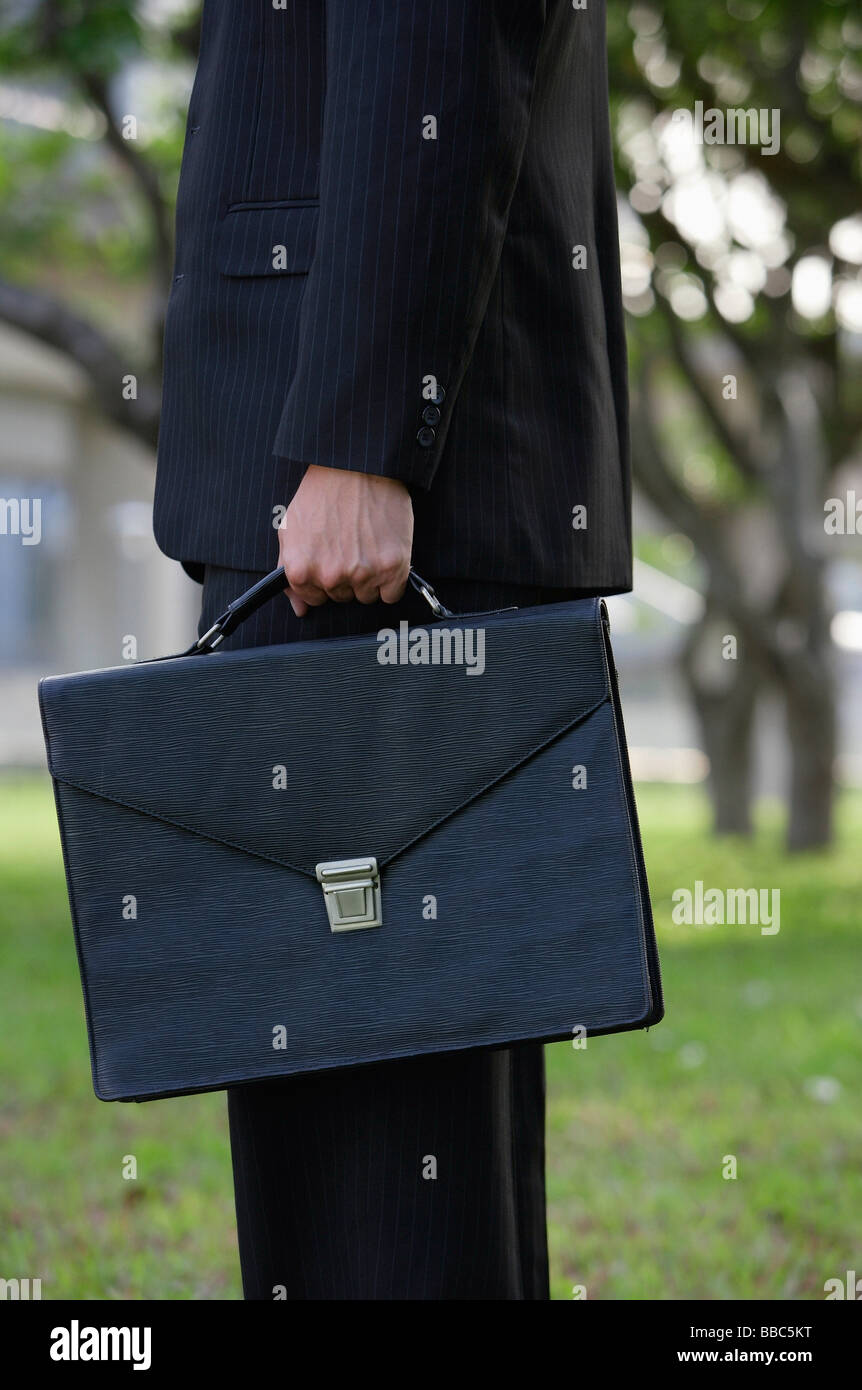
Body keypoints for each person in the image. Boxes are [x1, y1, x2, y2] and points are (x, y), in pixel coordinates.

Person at [154, 0, 632, 1301]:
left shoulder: (358, 462)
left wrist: (366, 435)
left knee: (371, 1148)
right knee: (386, 1124)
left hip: (350, 480)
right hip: (358, 459)